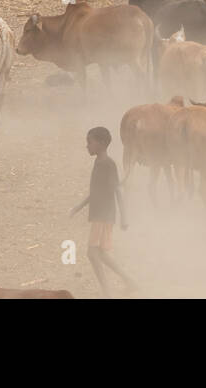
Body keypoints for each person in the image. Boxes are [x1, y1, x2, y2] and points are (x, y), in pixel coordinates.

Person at [70, 126, 134, 296]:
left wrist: (124, 216)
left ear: (102, 143)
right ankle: (129, 281)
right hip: (100, 213)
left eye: (90, 142)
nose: (87, 146)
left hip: (104, 215)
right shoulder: (99, 162)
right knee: (101, 254)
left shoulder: (108, 164)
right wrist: (79, 206)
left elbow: (117, 190)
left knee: (92, 254)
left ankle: (107, 292)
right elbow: (96, 192)